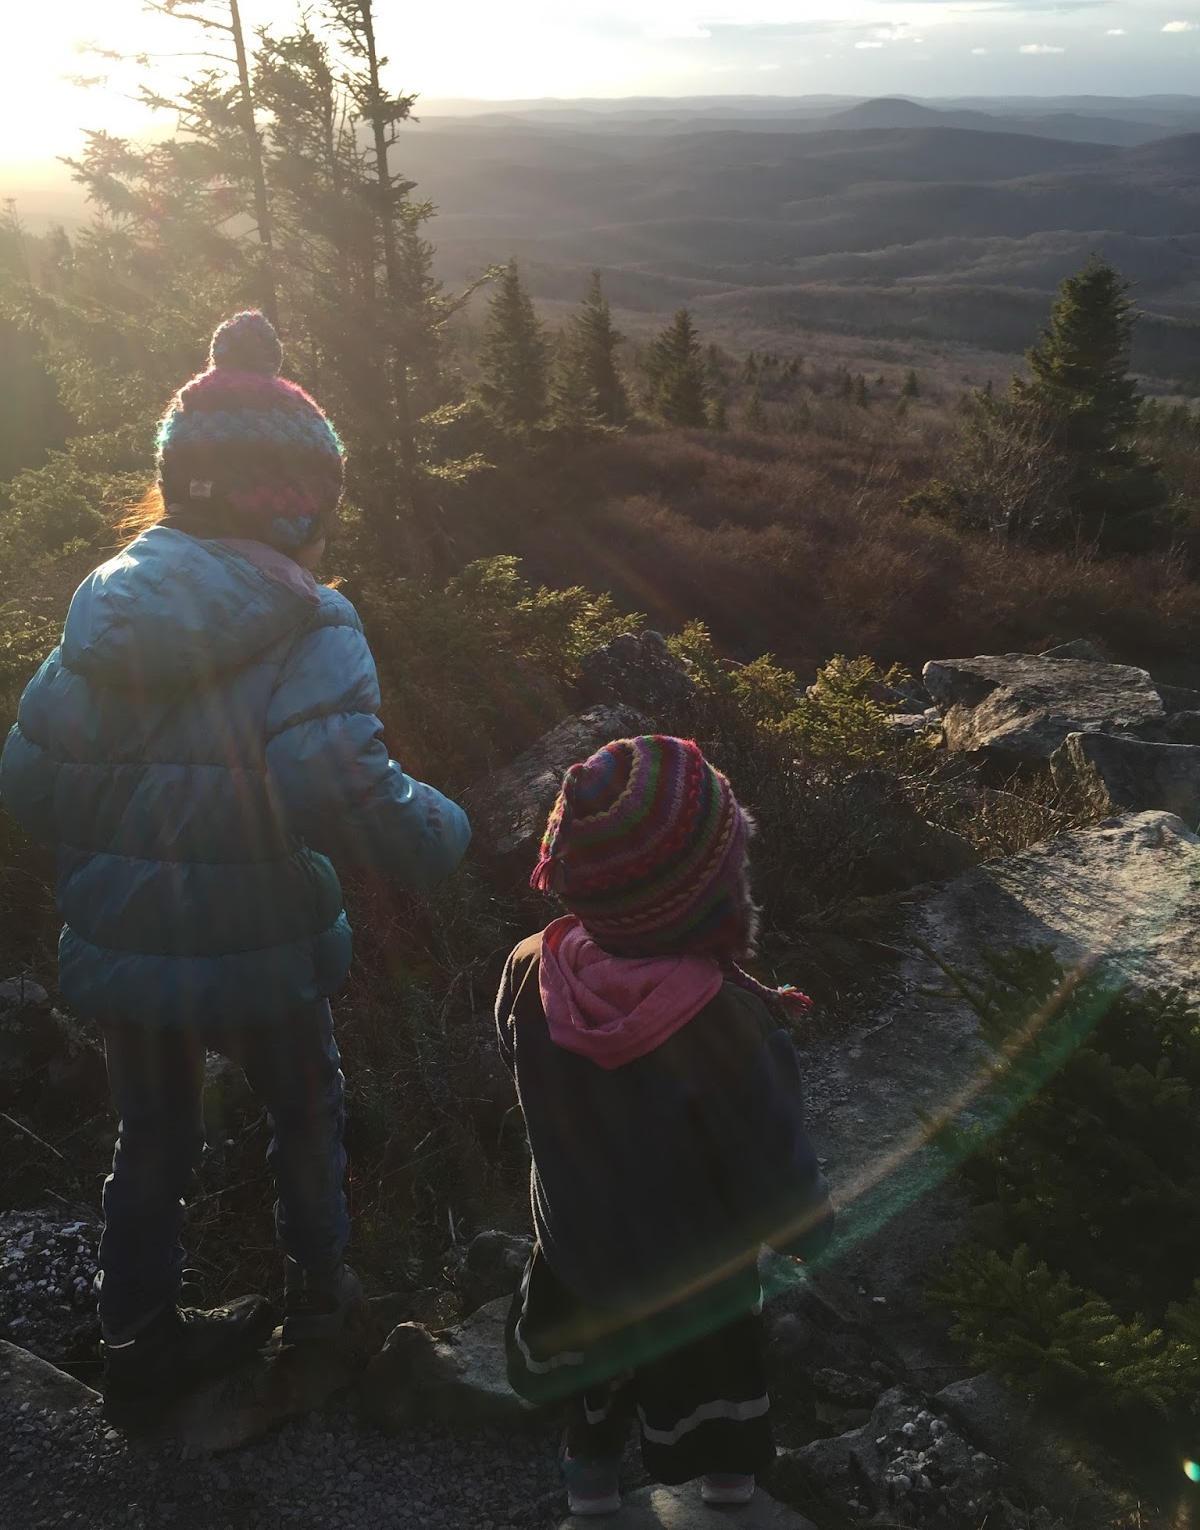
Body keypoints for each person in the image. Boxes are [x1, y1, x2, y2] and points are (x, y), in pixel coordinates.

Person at [0, 310, 471, 1419]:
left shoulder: (101, 609)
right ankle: (321, 1294)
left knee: (150, 1135)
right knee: (305, 1109)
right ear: (302, 502)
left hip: (127, 945)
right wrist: (444, 831)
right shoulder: (312, 620)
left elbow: (26, 783)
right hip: (262, 936)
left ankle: (140, 1337)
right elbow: (338, 785)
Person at [495, 734, 833, 1517]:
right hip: (696, 1272)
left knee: (594, 1384)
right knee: (720, 1382)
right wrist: (805, 1230)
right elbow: (770, 1160)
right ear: (709, 885)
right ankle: (728, 1490)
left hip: (577, 1250)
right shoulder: (733, 1020)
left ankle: (591, 1492)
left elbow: (511, 1059)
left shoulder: (529, 970)